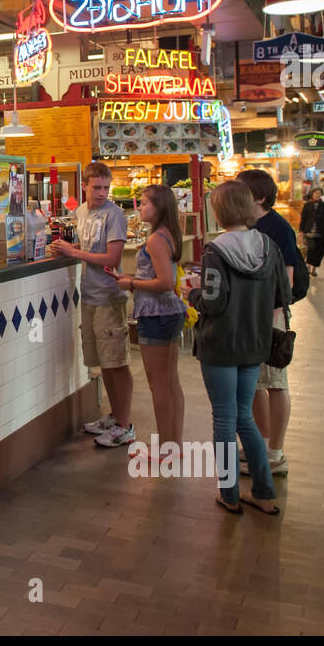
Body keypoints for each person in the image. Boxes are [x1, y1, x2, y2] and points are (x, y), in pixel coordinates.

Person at [188, 180, 289, 515]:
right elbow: (281, 294)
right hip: (255, 341)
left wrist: (191, 294)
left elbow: (213, 303)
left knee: (224, 418)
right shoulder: (268, 245)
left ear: (219, 210)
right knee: (245, 415)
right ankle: (264, 492)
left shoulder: (218, 250)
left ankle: (229, 494)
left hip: (220, 344)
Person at [48, 161, 134, 448]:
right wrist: (62, 249)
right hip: (90, 295)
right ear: (83, 186)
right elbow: (84, 249)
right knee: (104, 364)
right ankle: (114, 416)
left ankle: (125, 425)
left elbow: (111, 258)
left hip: (110, 297)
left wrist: (75, 253)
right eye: (96, 187)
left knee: (117, 363)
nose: (101, 193)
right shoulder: (81, 212)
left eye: (106, 188)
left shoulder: (115, 215)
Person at [114, 185, 185, 459]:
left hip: (157, 315)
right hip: (169, 313)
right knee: (171, 382)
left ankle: (166, 449)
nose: (140, 207)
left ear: (159, 207)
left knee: (159, 385)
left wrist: (131, 282)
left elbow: (165, 282)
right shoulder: (170, 234)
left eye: (144, 203)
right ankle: (173, 445)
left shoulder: (156, 239)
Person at [237, 168, 300, 477]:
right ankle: (259, 445)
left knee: (275, 382)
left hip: (270, 316)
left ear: (260, 196)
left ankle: (275, 453)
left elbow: (285, 281)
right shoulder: (249, 226)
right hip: (249, 315)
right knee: (254, 384)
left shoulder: (277, 228)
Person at [299, 187, 324, 276]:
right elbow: (303, 218)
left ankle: (314, 267)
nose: (317, 195)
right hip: (309, 231)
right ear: (312, 194)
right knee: (311, 249)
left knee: (319, 251)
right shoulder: (307, 205)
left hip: (320, 232)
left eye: (319, 193)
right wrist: (301, 230)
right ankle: (308, 265)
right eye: (315, 193)